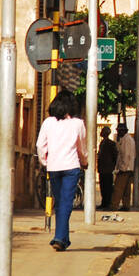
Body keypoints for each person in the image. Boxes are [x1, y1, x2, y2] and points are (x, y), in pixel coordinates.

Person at [36, 89, 87, 251]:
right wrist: (85, 162)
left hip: (54, 167)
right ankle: (59, 237)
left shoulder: (48, 122)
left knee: (60, 203)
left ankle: (63, 239)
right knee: (65, 203)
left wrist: (45, 161)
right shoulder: (78, 124)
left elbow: (40, 145)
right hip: (71, 167)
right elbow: (81, 148)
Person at [111, 123, 135, 211]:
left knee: (118, 188)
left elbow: (126, 155)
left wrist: (122, 168)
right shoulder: (126, 139)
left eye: (119, 131)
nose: (118, 133)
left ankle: (114, 206)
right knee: (126, 189)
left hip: (125, 168)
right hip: (129, 168)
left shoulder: (126, 140)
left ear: (123, 131)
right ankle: (126, 205)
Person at [97, 125, 117, 209]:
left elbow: (115, 156)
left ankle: (108, 202)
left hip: (108, 169)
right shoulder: (102, 143)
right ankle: (104, 202)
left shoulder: (111, 144)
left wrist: (112, 166)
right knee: (103, 186)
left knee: (108, 186)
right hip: (102, 168)